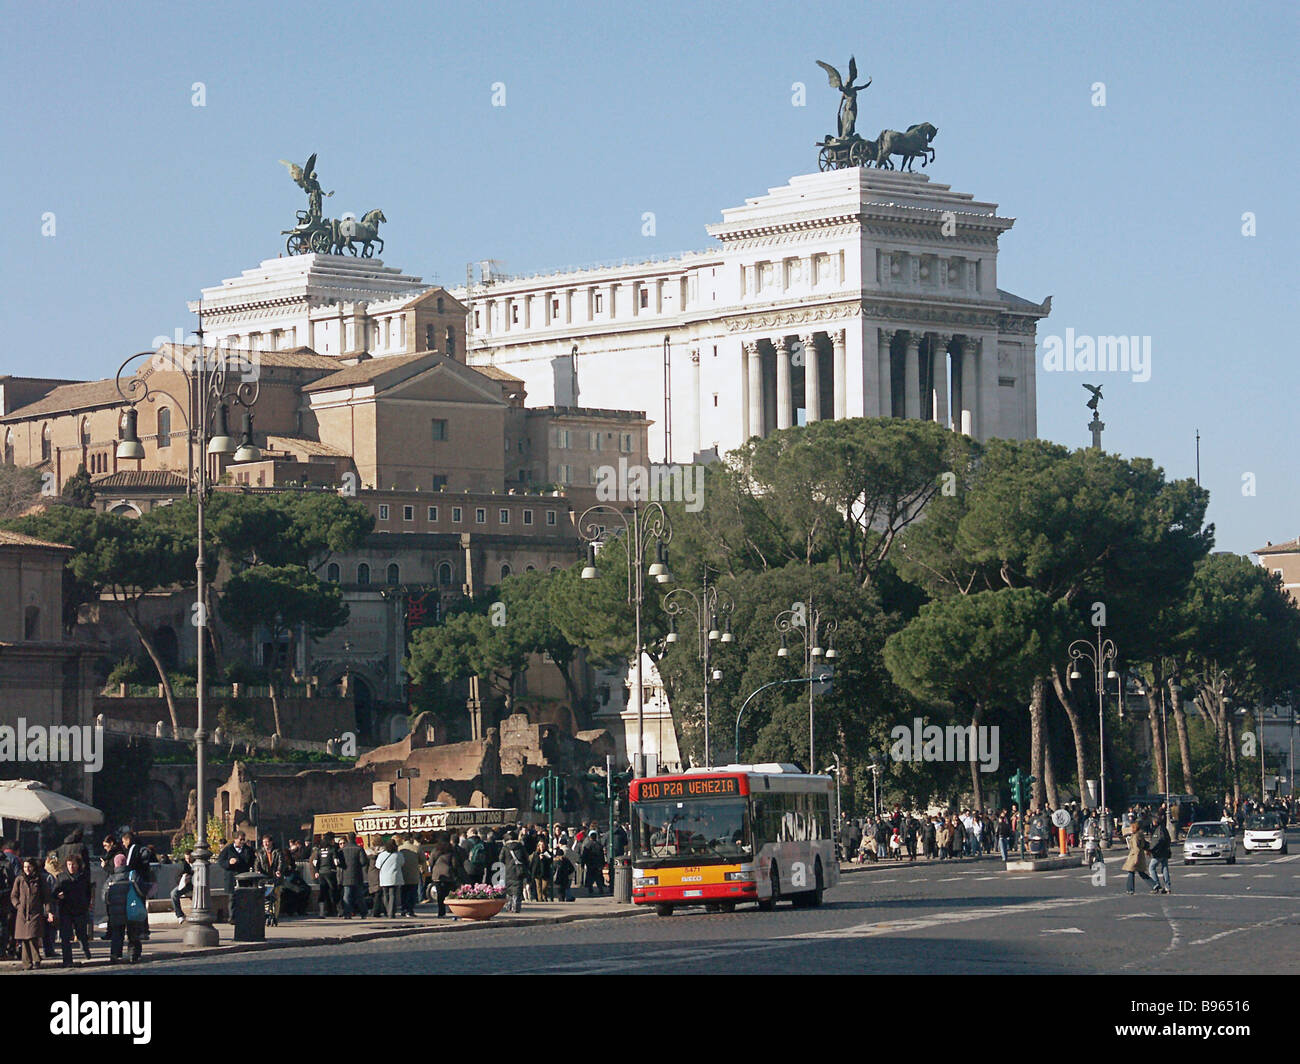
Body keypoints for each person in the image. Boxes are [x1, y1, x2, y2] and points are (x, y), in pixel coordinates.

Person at [10, 857, 53, 970]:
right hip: (22, 914)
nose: (27, 869)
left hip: (35, 913)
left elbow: (46, 897)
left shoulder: (40, 880)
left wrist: (49, 912)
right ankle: (27, 963)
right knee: (24, 939)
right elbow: (14, 895)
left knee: (32, 936)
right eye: (25, 867)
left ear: (33, 867)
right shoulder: (19, 879)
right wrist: (17, 905)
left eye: (29, 866)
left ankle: (36, 959)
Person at [102, 853, 145, 964]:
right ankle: (133, 955)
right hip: (132, 909)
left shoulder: (111, 878)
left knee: (117, 933)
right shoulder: (132, 875)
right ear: (126, 862)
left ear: (115, 864)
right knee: (133, 933)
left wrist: (111, 905)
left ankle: (115, 954)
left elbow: (105, 896)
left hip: (116, 911)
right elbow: (141, 891)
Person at [54, 855, 93, 967]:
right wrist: (58, 895)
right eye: (69, 864)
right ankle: (67, 960)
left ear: (78, 865)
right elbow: (54, 893)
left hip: (80, 910)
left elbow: (88, 892)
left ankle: (85, 949)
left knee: (81, 934)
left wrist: (86, 904)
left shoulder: (83, 877)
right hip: (65, 910)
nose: (71, 867)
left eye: (73, 864)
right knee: (65, 937)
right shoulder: (61, 877)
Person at [255, 835, 292, 923]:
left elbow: (281, 862)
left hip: (276, 878)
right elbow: (257, 863)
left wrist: (279, 871)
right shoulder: (260, 853)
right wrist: (258, 871)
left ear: (271, 842)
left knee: (276, 897)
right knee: (265, 898)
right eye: (264, 842)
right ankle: (266, 914)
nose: (266, 844)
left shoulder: (277, 851)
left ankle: (275, 915)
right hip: (264, 879)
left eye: (267, 842)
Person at [337, 834, 369, 919]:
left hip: (345, 875)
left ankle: (347, 913)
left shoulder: (342, 850)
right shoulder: (359, 849)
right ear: (355, 838)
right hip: (357, 875)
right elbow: (363, 862)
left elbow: (339, 863)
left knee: (346, 895)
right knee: (359, 896)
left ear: (348, 838)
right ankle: (363, 913)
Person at [1121, 820, 1155, 895]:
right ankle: (1154, 885)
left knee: (1131, 872)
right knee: (1141, 872)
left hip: (1135, 856)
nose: (1130, 829)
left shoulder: (1135, 836)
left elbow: (1136, 848)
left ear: (1135, 828)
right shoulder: (1140, 834)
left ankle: (1130, 889)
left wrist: (1136, 858)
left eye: (1132, 828)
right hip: (1140, 855)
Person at [311, 833, 341, 918]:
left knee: (323, 891)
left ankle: (321, 912)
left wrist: (317, 871)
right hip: (330, 872)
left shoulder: (319, 851)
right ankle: (335, 910)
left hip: (321, 873)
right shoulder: (332, 850)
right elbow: (336, 862)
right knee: (333, 891)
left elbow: (315, 862)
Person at [429, 838, 460, 919]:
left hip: (437, 875)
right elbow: (454, 864)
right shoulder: (450, 852)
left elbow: (431, 862)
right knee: (448, 893)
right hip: (448, 874)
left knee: (440, 895)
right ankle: (449, 908)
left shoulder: (435, 851)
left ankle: (441, 912)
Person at [500, 830, 528, 913]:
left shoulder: (505, 848)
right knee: (517, 889)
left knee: (509, 889)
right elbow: (526, 859)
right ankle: (516, 907)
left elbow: (500, 859)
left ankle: (508, 907)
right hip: (519, 871)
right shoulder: (521, 847)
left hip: (508, 871)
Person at [376, 839, 402, 918]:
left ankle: (388, 911)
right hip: (394, 877)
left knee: (385, 895)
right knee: (392, 895)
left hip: (384, 878)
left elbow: (377, 866)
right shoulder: (398, 855)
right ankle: (391, 912)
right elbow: (402, 863)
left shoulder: (381, 855)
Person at [1148, 818, 1173, 895]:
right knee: (1165, 868)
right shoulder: (1163, 828)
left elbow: (1158, 841)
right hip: (1165, 852)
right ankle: (1167, 887)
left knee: (1151, 868)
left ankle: (1156, 885)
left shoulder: (1159, 830)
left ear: (1155, 822)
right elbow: (1168, 839)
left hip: (1159, 853)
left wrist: (1152, 849)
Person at [397, 835, 420, 917]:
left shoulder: (399, 849)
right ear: (411, 839)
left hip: (402, 874)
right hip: (413, 874)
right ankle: (410, 910)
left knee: (404, 892)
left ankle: (404, 909)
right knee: (412, 892)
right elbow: (422, 860)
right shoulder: (416, 848)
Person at [581, 827, 606, 895]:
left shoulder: (587, 845)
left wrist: (582, 864)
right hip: (597, 864)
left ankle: (590, 889)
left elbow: (584, 856)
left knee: (590, 877)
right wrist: (603, 864)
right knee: (598, 878)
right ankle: (600, 889)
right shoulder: (599, 845)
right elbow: (602, 855)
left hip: (590, 864)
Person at [171, 852, 194, 923]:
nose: (188, 860)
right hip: (185, 885)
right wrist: (184, 878)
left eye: (189, 858)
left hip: (195, 885)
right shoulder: (184, 865)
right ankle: (180, 915)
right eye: (186, 858)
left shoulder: (197, 864)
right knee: (174, 893)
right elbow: (177, 877)